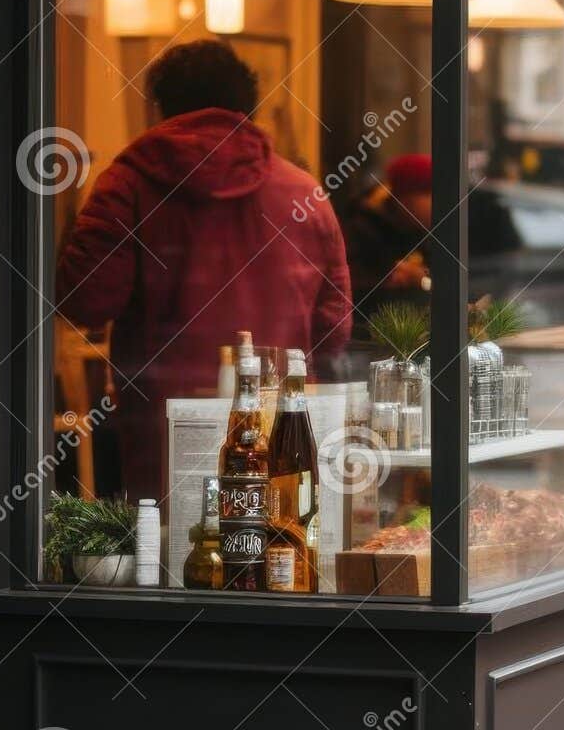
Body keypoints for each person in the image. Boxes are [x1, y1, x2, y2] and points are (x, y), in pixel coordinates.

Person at [56, 37, 351, 504]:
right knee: (277, 548)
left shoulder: (127, 185)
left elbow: (88, 301)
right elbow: (333, 330)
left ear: (161, 107)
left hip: (165, 423)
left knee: (175, 553)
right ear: (248, 106)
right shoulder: (303, 193)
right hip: (278, 420)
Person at [339, 152, 432, 334]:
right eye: (428, 193)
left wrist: (422, 279)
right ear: (407, 196)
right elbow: (348, 288)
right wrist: (390, 279)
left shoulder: (426, 232)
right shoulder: (359, 229)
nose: (437, 203)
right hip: (367, 340)